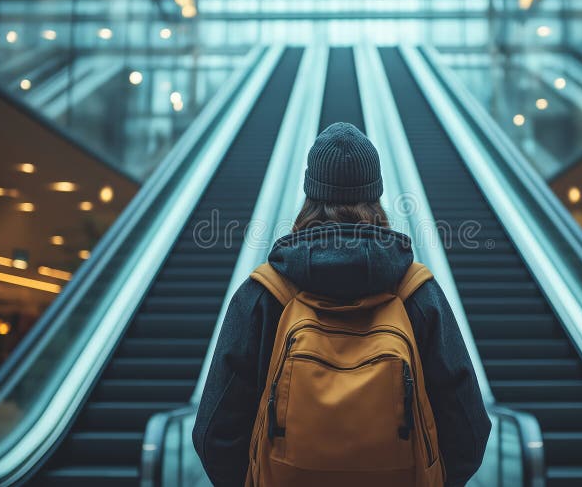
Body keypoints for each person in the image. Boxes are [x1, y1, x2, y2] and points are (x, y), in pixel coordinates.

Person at [193, 122, 491, 486]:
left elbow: (213, 432)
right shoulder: (417, 294)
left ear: (310, 195)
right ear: (375, 195)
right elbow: (470, 430)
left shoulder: (265, 295)